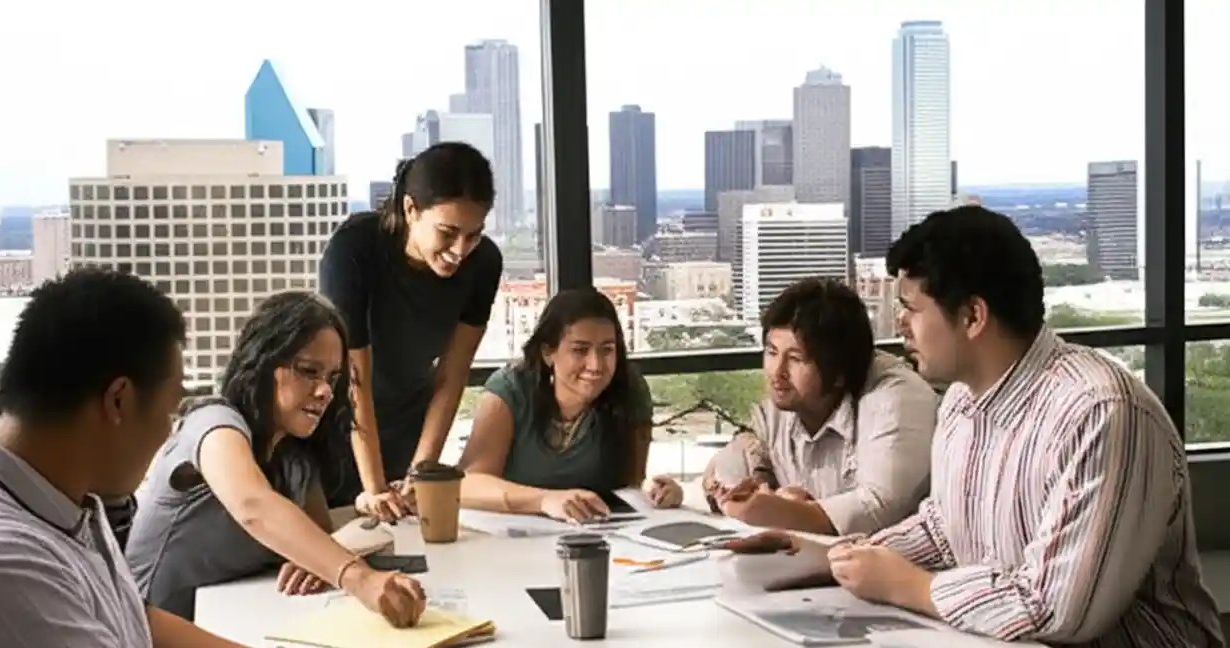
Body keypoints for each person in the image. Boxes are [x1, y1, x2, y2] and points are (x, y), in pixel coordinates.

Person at [728, 206, 1227, 648]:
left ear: (972, 315)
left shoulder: (1100, 411)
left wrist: (911, 587)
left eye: (911, 309)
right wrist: (833, 558)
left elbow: (1055, 606)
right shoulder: (965, 402)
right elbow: (947, 529)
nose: (900, 325)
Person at [0, 269, 472, 648]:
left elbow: (129, 621)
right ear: (118, 401)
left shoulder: (64, 501)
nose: (165, 435)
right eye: (169, 408)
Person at [125, 291, 425, 625]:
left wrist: (317, 560)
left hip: (232, 626)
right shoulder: (212, 423)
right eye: (309, 371)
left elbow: (322, 539)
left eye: (332, 378)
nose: (325, 390)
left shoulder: (295, 460)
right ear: (264, 363)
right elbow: (253, 504)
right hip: (148, 638)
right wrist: (360, 578)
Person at [320, 142, 502, 521]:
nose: (460, 250)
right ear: (410, 209)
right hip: (334, 425)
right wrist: (373, 488)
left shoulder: (484, 263)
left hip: (407, 422)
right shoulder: (356, 248)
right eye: (448, 232)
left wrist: (422, 470)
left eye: (474, 234)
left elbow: (452, 375)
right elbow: (355, 380)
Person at [701, 279, 936, 535]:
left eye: (795, 359)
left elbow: (878, 508)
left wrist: (782, 512)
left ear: (838, 373)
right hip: (811, 562)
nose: (776, 372)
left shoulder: (896, 397)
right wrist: (719, 486)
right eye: (771, 352)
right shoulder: (783, 402)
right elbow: (738, 457)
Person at [457, 287, 682, 522]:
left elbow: (630, 487)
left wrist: (657, 493)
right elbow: (468, 483)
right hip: (508, 538)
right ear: (547, 352)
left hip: (593, 536)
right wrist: (546, 500)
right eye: (580, 350)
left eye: (607, 350)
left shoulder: (630, 390)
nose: (595, 365)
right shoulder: (510, 390)